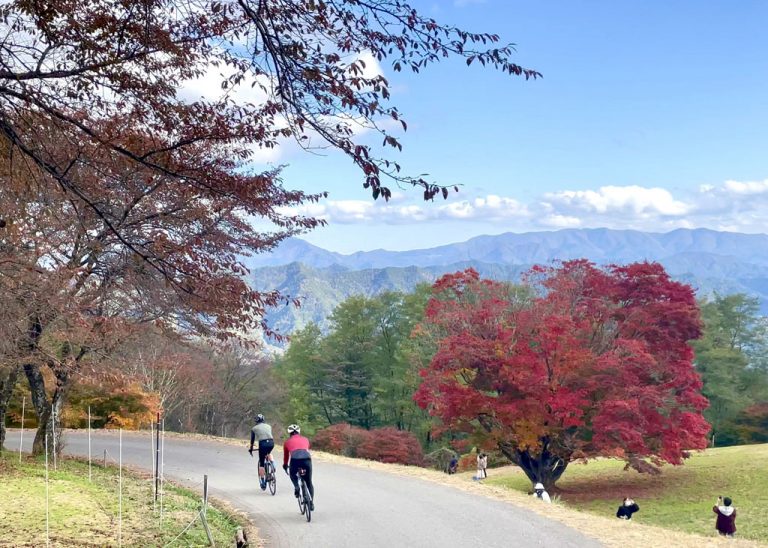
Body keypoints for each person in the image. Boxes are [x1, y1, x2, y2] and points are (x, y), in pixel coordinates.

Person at [283, 424, 314, 510]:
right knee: (309, 482)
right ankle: (311, 503)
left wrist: (285, 465)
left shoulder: (287, 442)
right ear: (299, 432)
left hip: (295, 459)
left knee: (293, 474)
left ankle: (296, 486)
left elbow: (286, 457)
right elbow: (306, 448)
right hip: (307, 459)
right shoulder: (306, 439)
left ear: (289, 433)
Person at [248, 414, 274, 490]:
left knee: (262, 463)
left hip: (262, 444)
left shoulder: (254, 428)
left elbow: (252, 441)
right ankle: (273, 464)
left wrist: (251, 449)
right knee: (269, 453)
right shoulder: (269, 426)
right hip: (271, 443)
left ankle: (262, 482)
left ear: (256, 421)